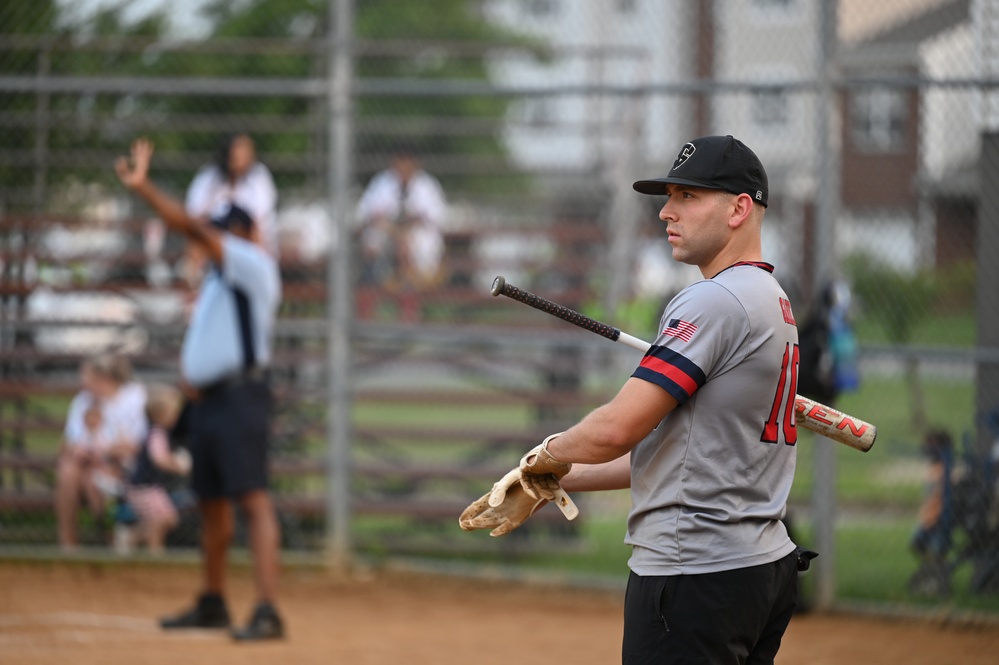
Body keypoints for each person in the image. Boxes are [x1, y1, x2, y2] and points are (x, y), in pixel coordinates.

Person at [461, 135, 812, 664]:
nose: (667, 212)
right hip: (753, 568)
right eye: (669, 197)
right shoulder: (771, 299)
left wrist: (547, 452)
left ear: (740, 208)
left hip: (693, 574)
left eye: (688, 197)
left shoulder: (716, 300)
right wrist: (556, 477)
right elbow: (684, 453)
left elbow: (615, 429)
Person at [115, 137, 285, 641]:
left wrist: (145, 188)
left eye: (225, 233)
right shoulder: (215, 278)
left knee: (252, 501)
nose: (216, 241)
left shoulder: (253, 265)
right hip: (208, 402)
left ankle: (268, 609)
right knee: (211, 501)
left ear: (245, 233)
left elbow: (189, 226)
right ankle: (213, 601)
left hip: (240, 398)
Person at [55, 354, 147, 551]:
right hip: (87, 463)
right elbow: (68, 442)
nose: (83, 383)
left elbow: (141, 444)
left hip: (122, 465)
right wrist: (78, 449)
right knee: (68, 473)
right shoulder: (83, 400)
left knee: (94, 480)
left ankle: (114, 544)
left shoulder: (135, 398)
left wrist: (106, 451)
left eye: (87, 377)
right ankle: (68, 546)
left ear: (104, 378)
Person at [355, 146, 448, 322]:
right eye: (399, 163)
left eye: (407, 163)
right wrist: (391, 227)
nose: (402, 168)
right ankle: (368, 300)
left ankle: (408, 307)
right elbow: (366, 212)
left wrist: (407, 229)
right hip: (387, 236)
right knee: (371, 244)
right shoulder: (382, 182)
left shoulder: (427, 185)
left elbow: (436, 218)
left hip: (418, 241)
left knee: (412, 245)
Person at [182, 133, 278, 286]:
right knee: (197, 234)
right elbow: (194, 214)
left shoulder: (259, 177)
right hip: (215, 235)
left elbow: (258, 218)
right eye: (240, 151)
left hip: (246, 236)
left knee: (250, 229)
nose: (246, 156)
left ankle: (254, 278)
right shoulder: (209, 176)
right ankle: (193, 286)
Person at [121, 382, 193, 556]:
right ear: (160, 414)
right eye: (174, 412)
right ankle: (155, 554)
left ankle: (130, 538)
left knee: (168, 520)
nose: (177, 416)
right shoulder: (157, 433)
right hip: (144, 487)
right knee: (161, 520)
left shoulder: (160, 432)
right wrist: (178, 466)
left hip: (151, 487)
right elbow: (159, 459)